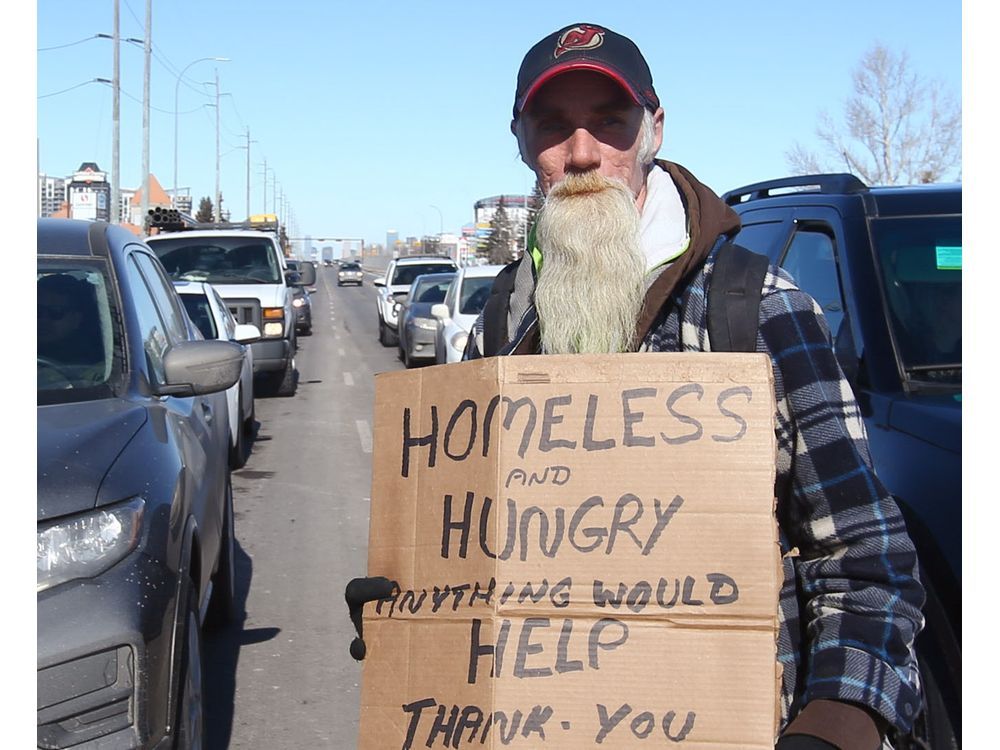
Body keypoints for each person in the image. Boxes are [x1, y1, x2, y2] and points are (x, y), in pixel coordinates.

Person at [348, 23, 924, 750]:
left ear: (653, 129)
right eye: (553, 126)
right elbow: (477, 555)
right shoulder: (505, 320)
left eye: (610, 122)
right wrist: (415, 620)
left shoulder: (755, 311)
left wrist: (838, 722)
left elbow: (869, 562)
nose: (582, 152)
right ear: (521, 141)